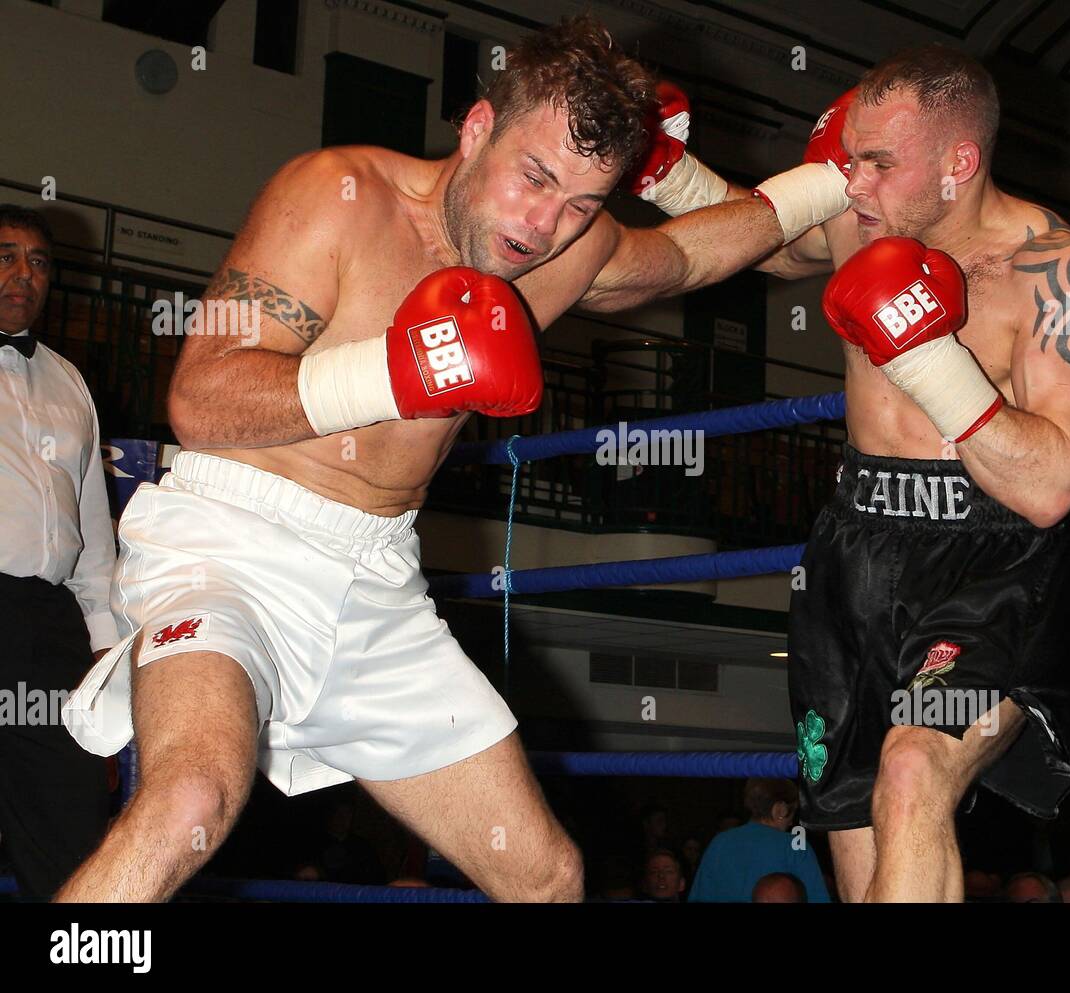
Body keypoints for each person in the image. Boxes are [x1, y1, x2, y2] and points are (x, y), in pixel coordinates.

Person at [55, 15, 848, 903]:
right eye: (534, 176)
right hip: (231, 546)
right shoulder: (338, 193)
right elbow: (200, 399)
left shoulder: (568, 248)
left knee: (546, 876)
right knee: (191, 797)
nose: (543, 225)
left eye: (582, 202)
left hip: (376, 578)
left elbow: (686, 259)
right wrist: (398, 371)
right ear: (477, 131)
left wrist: (836, 177)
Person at [641, 45, 1070, 903]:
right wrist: (667, 172)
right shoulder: (871, 216)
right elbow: (776, 242)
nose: (850, 183)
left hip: (990, 564)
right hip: (853, 549)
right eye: (850, 156)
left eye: (879, 163)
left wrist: (931, 356)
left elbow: (1052, 482)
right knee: (863, 854)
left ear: (959, 163)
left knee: (913, 765)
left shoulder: (1063, 274)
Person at [0, 205, 113, 899]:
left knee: (71, 824)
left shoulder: (70, 382)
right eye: (6, 255)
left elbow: (94, 527)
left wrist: (104, 642)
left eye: (38, 262)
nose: (23, 274)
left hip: (49, 624)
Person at [688, 778, 831, 902]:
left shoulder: (720, 842)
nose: (791, 822)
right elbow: (817, 898)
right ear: (779, 810)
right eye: (792, 812)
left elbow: (699, 896)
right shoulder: (796, 846)